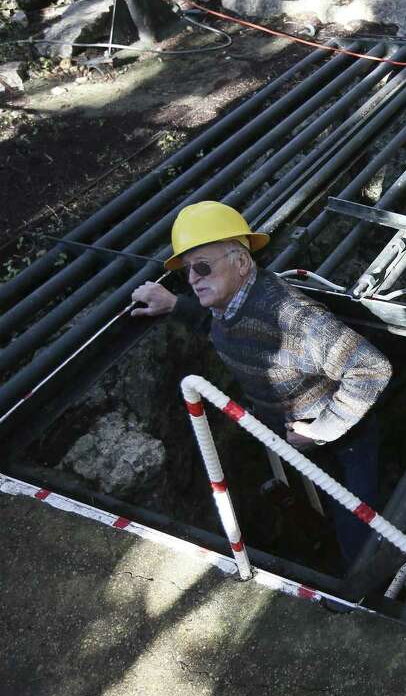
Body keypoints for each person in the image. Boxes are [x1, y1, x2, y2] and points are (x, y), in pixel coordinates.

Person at [129, 200, 392, 565]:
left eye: (201, 267)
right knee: (334, 507)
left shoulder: (292, 317)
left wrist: (322, 430)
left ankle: (369, 588)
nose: (192, 279)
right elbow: (222, 330)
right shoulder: (229, 304)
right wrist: (175, 304)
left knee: (357, 528)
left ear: (241, 262)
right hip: (301, 439)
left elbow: (371, 368)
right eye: (186, 271)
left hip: (345, 439)